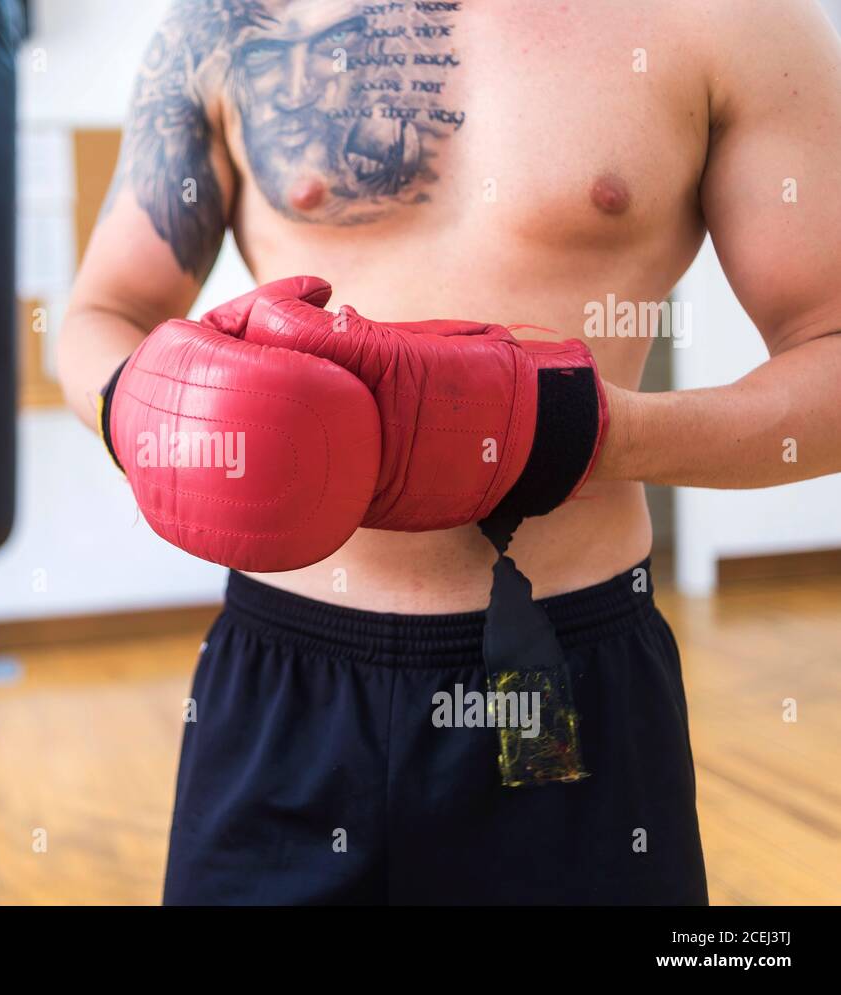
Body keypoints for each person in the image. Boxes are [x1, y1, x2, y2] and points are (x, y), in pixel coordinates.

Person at [57, 0, 841, 904]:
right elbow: (102, 315)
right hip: (287, 679)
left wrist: (585, 433)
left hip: (557, 678)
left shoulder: (730, 19)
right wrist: (144, 406)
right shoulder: (234, 22)